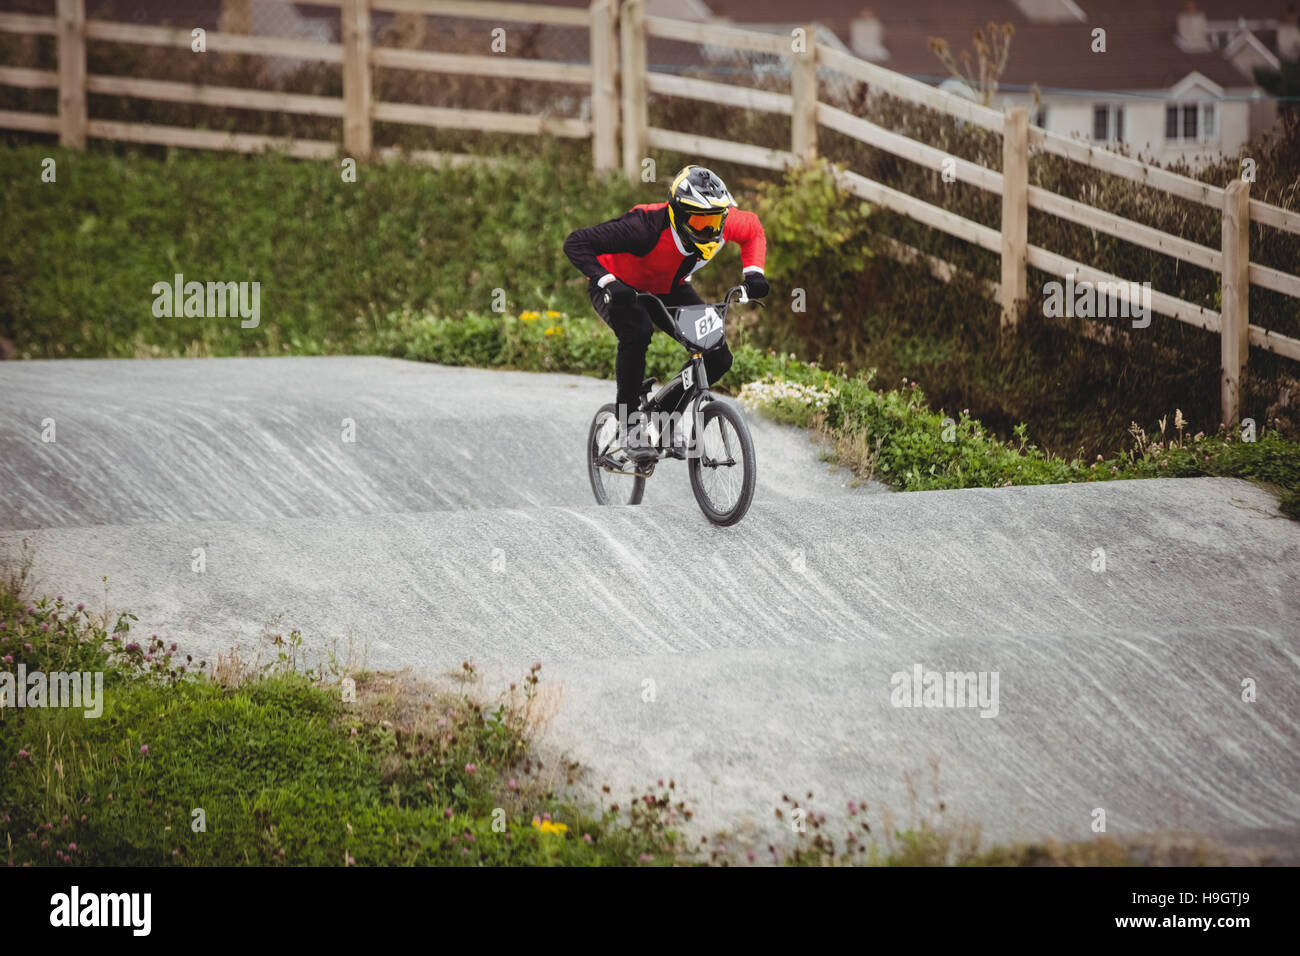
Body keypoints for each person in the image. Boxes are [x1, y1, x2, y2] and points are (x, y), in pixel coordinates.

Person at [563, 165, 769, 459]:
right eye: (700, 222)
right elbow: (576, 242)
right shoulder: (643, 228)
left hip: (669, 286)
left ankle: (664, 415)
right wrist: (607, 279)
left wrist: (754, 273)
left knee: (717, 355)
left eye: (715, 221)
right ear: (678, 214)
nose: (710, 229)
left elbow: (754, 230)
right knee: (637, 332)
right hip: (618, 286)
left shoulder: (724, 219)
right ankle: (630, 423)